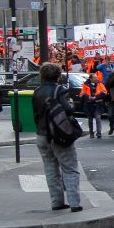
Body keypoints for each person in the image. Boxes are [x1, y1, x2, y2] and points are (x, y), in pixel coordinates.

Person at [32, 62, 83, 212]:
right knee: (70, 168)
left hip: (42, 134)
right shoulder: (59, 90)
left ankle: (56, 202)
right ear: (58, 76)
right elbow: (68, 109)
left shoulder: (37, 91)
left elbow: (36, 114)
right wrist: (72, 104)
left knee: (50, 169)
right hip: (58, 135)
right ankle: (74, 203)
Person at [79, 73, 108, 139]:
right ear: (90, 79)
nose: (96, 79)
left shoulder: (100, 84)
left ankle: (99, 133)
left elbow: (105, 93)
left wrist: (96, 97)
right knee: (90, 119)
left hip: (97, 104)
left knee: (98, 118)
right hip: (88, 104)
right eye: (95, 77)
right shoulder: (85, 85)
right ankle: (91, 133)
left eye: (96, 77)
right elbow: (81, 94)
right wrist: (88, 97)